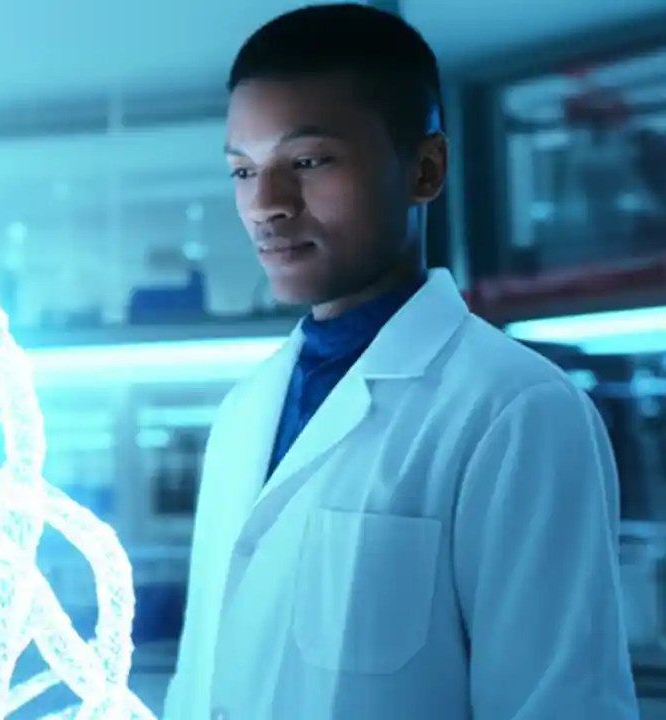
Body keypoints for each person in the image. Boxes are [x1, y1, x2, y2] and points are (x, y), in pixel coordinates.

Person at [163, 4, 639, 719]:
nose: (265, 205)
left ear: (425, 168)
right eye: (242, 170)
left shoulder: (514, 413)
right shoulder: (244, 413)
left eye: (308, 161)